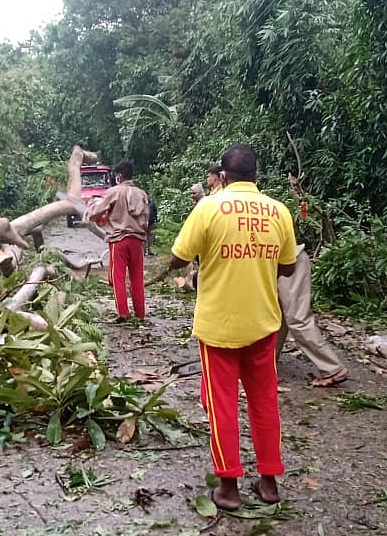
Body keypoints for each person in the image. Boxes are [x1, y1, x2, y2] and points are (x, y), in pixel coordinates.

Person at [155, 144, 296, 509]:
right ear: (256, 174)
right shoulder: (278, 211)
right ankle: (268, 482)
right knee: (265, 402)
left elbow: (178, 257)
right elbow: (289, 267)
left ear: (223, 174)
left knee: (222, 404)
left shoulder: (208, 207)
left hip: (219, 324)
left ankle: (229, 486)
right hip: (263, 322)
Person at [86, 160, 151, 323]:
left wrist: (91, 205)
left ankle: (123, 313)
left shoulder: (113, 192)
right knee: (137, 278)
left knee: (118, 278)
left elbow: (96, 211)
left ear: (119, 176)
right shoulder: (142, 194)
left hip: (118, 241)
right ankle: (140, 314)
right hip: (137, 241)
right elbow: (148, 218)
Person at [277, 245, 349, 387]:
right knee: (277, 312)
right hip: (279, 259)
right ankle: (267, 361)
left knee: (297, 318)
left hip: (289, 259)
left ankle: (332, 368)